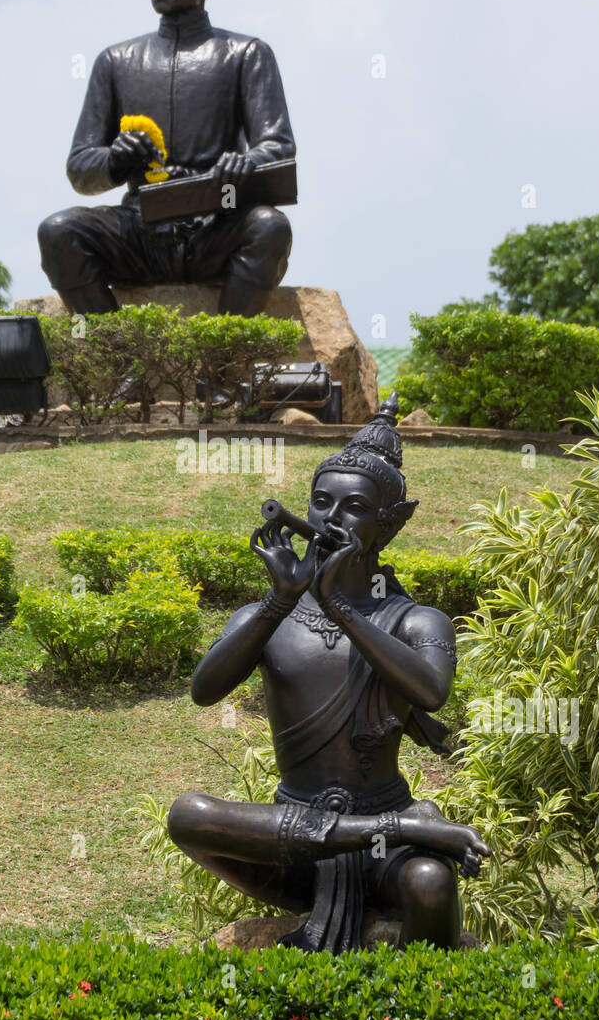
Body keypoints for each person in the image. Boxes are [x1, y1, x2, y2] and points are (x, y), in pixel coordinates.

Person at [168, 394, 491, 951]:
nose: (331, 518)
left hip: (383, 851)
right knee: (188, 815)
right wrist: (279, 602)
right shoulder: (267, 613)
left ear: (386, 524)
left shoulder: (416, 621)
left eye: (354, 508)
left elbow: (431, 692)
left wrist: (341, 607)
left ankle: (425, 1009)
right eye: (320, 503)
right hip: (295, 843)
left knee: (432, 883)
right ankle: (404, 828)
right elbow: (205, 690)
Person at [37, 0, 295, 316]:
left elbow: (277, 148)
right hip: (140, 230)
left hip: (216, 227)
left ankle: (220, 361)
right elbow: (79, 169)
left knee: (270, 227)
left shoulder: (246, 54)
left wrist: (245, 163)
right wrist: (115, 160)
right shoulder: (116, 61)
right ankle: (121, 359)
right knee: (58, 231)